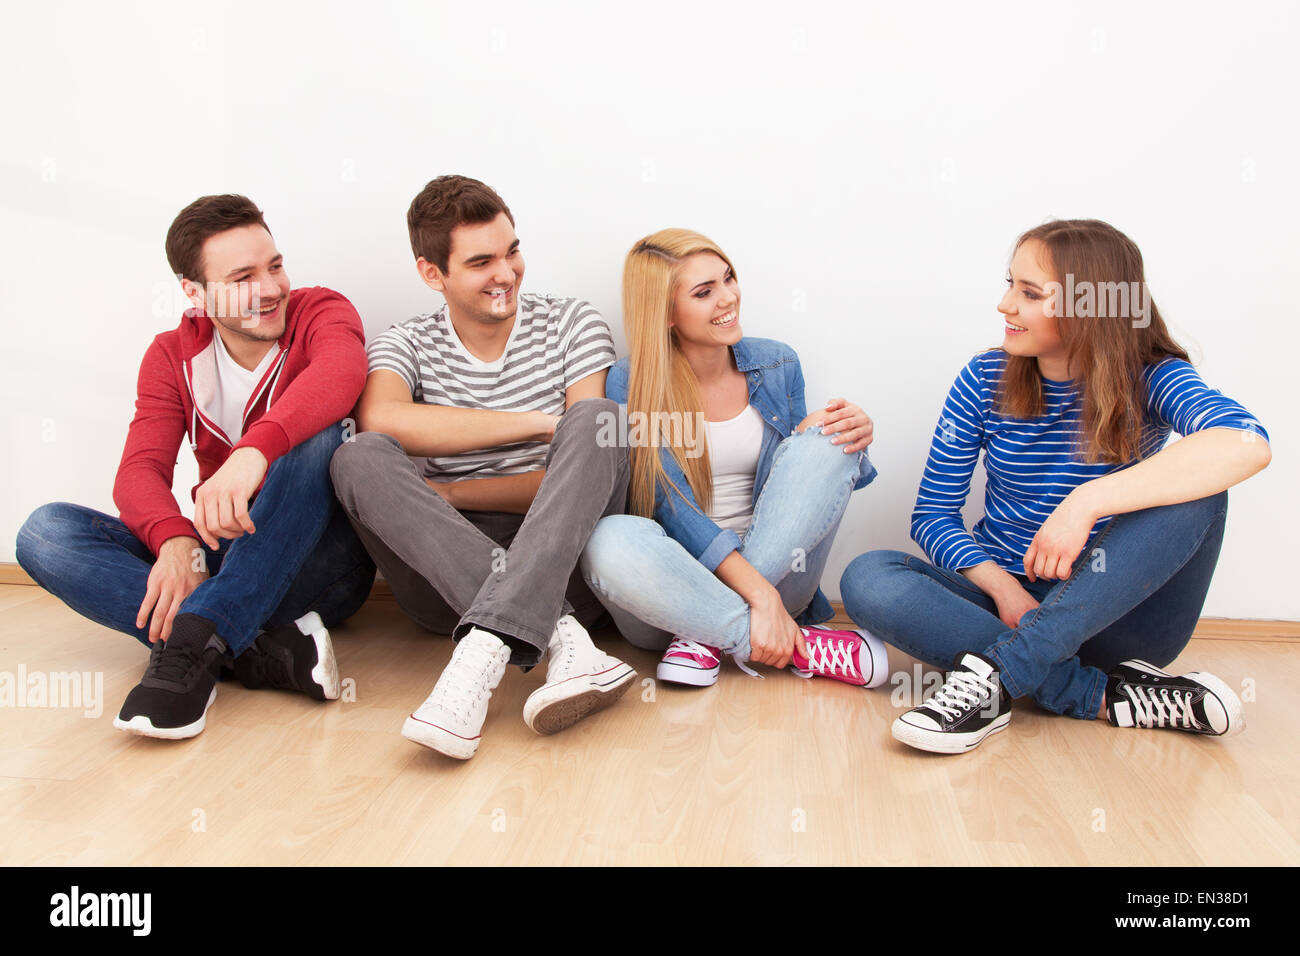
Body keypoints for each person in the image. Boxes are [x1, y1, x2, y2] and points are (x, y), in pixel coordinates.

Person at [839, 219, 1271, 754]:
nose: (1004, 305)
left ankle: (997, 681)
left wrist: (1086, 501)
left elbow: (1247, 442)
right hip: (1002, 611)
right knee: (869, 576)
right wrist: (1006, 591)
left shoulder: (1152, 376)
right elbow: (932, 516)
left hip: (1113, 619)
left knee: (1201, 486)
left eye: (1029, 293)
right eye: (1008, 285)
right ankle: (1100, 697)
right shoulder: (983, 378)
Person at [16, 194, 377, 739]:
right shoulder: (170, 355)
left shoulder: (322, 311)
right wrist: (175, 543)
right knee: (45, 532)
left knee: (321, 435)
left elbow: (342, 375)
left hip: (319, 558)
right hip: (224, 552)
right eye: (242, 277)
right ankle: (248, 647)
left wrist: (252, 453)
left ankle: (193, 642)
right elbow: (139, 472)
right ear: (195, 292)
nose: (272, 288)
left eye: (274, 266)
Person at [330, 175, 635, 760]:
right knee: (356, 455)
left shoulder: (573, 322)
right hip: (441, 575)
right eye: (481, 262)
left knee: (598, 419)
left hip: (561, 557)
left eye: (512, 251)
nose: (506, 273)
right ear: (432, 273)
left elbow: (577, 480)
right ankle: (564, 639)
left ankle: (480, 654)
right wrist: (539, 424)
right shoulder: (406, 343)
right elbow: (381, 420)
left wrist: (448, 494)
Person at [580, 229, 888, 689]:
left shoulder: (778, 362)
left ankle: (707, 635)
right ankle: (803, 649)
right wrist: (759, 596)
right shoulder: (630, 381)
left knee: (828, 439)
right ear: (665, 313)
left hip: (782, 574)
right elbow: (669, 505)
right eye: (704, 292)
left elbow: (790, 484)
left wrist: (836, 432)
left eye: (728, 279)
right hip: (671, 590)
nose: (728, 298)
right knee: (607, 538)